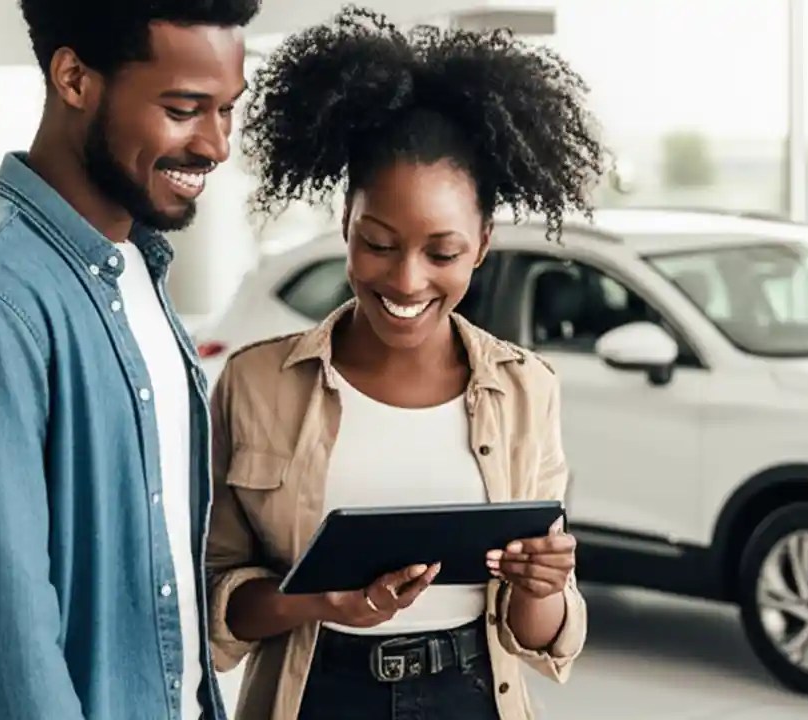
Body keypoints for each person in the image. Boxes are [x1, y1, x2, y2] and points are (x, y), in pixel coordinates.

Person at [204, 6, 606, 719]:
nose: (407, 279)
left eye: (442, 252)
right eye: (379, 244)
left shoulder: (526, 389)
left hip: (471, 695)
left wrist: (542, 587)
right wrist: (319, 602)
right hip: (316, 695)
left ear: (483, 244)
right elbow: (217, 600)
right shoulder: (257, 382)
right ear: (345, 224)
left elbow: (537, 637)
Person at [0, 1, 260, 718]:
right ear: (75, 79)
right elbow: (1, 653)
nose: (216, 145)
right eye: (183, 109)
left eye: (228, 110)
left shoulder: (138, 265)